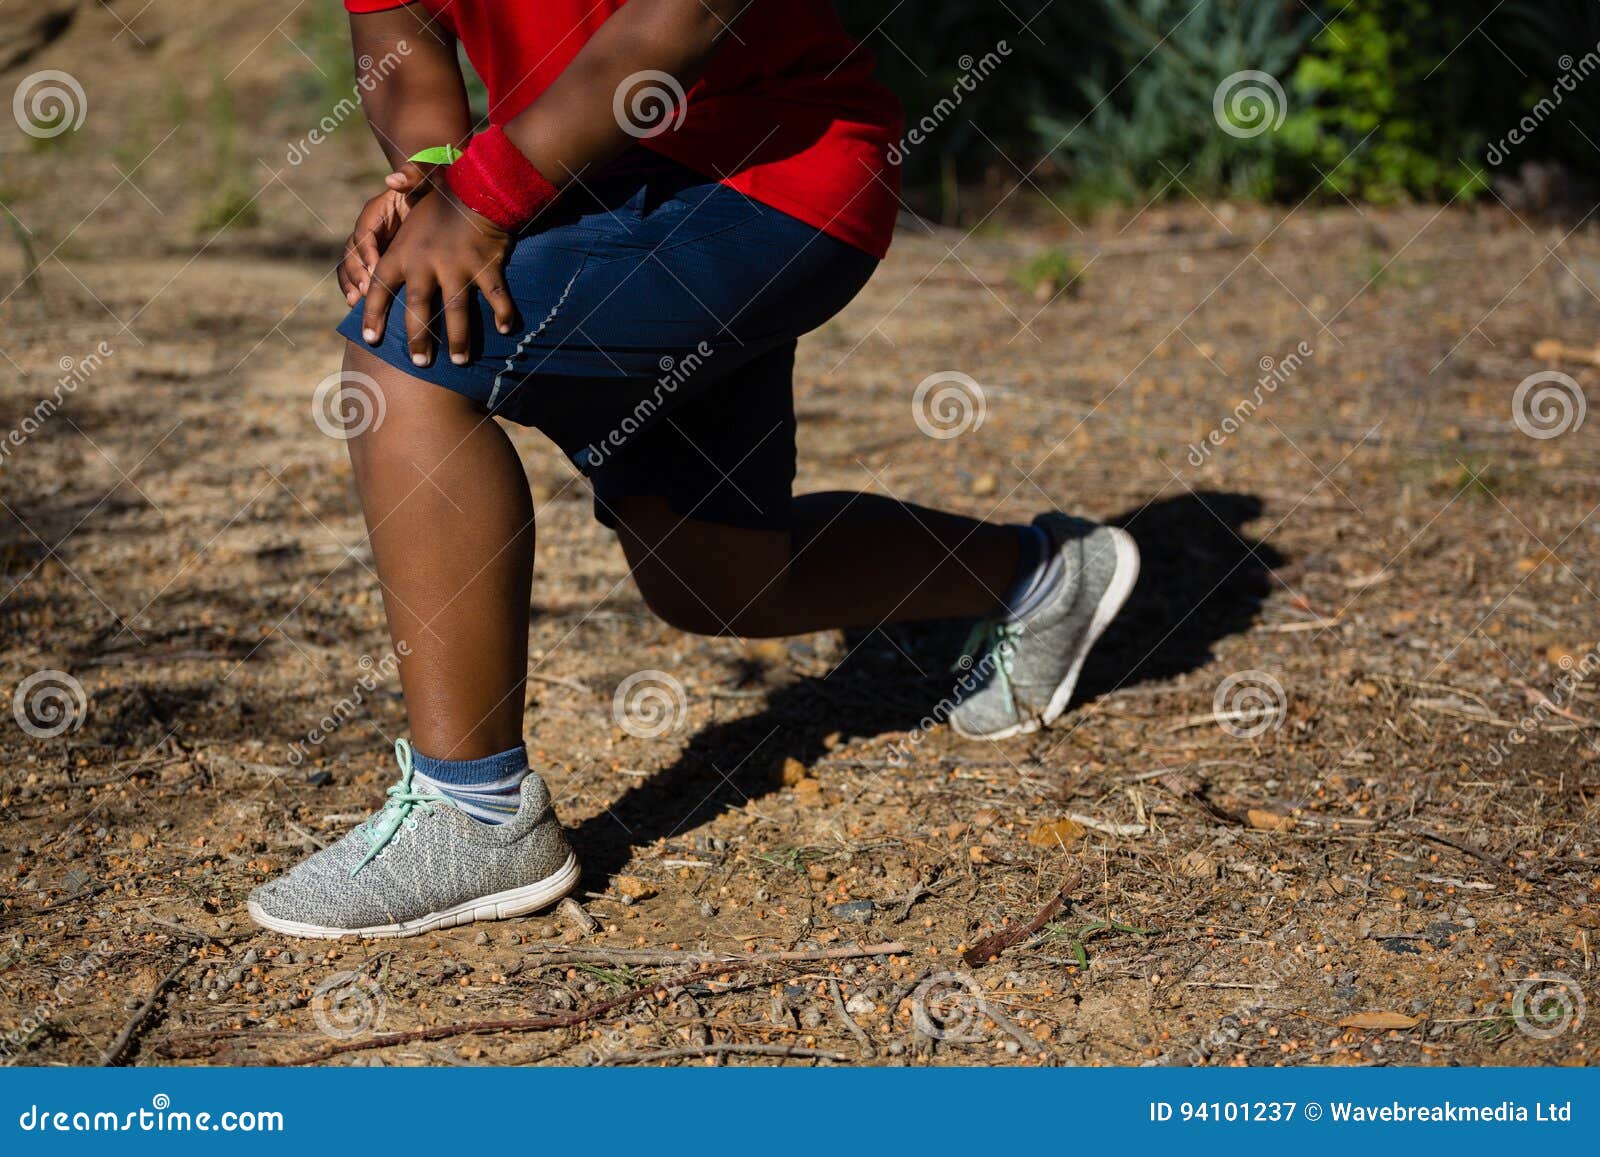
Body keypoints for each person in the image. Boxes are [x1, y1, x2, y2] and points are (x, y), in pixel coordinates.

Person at [246, 0, 1140, 939]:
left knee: (404, 353)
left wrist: (477, 202)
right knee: (715, 578)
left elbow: (681, 18)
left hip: (769, 173)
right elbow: (400, 35)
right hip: (586, 172)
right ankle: (1037, 576)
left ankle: (475, 811)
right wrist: (432, 170)